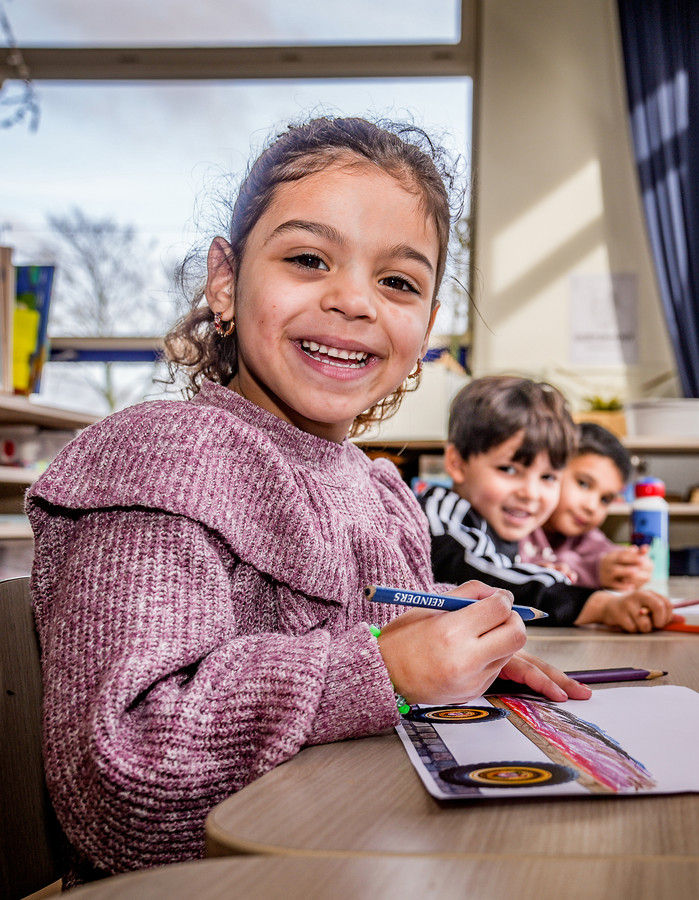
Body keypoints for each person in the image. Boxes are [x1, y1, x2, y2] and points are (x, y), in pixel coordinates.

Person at [25, 117, 589, 883]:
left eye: (398, 282)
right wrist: (386, 670)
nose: (355, 301)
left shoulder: (380, 492)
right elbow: (125, 779)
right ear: (226, 280)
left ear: (425, 325)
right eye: (307, 258)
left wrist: (454, 658)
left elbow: (368, 691)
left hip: (356, 861)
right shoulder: (163, 457)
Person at [419, 376, 677, 631]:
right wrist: (600, 606)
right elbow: (474, 576)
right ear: (457, 462)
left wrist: (529, 571)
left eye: (548, 477)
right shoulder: (441, 512)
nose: (531, 493)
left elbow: (501, 571)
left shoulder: (498, 521)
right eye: (509, 469)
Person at [520, 422, 653, 591]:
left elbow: (604, 552)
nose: (592, 507)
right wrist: (592, 570)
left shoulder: (583, 535)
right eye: (583, 484)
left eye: (605, 499)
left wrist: (628, 565)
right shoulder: (518, 520)